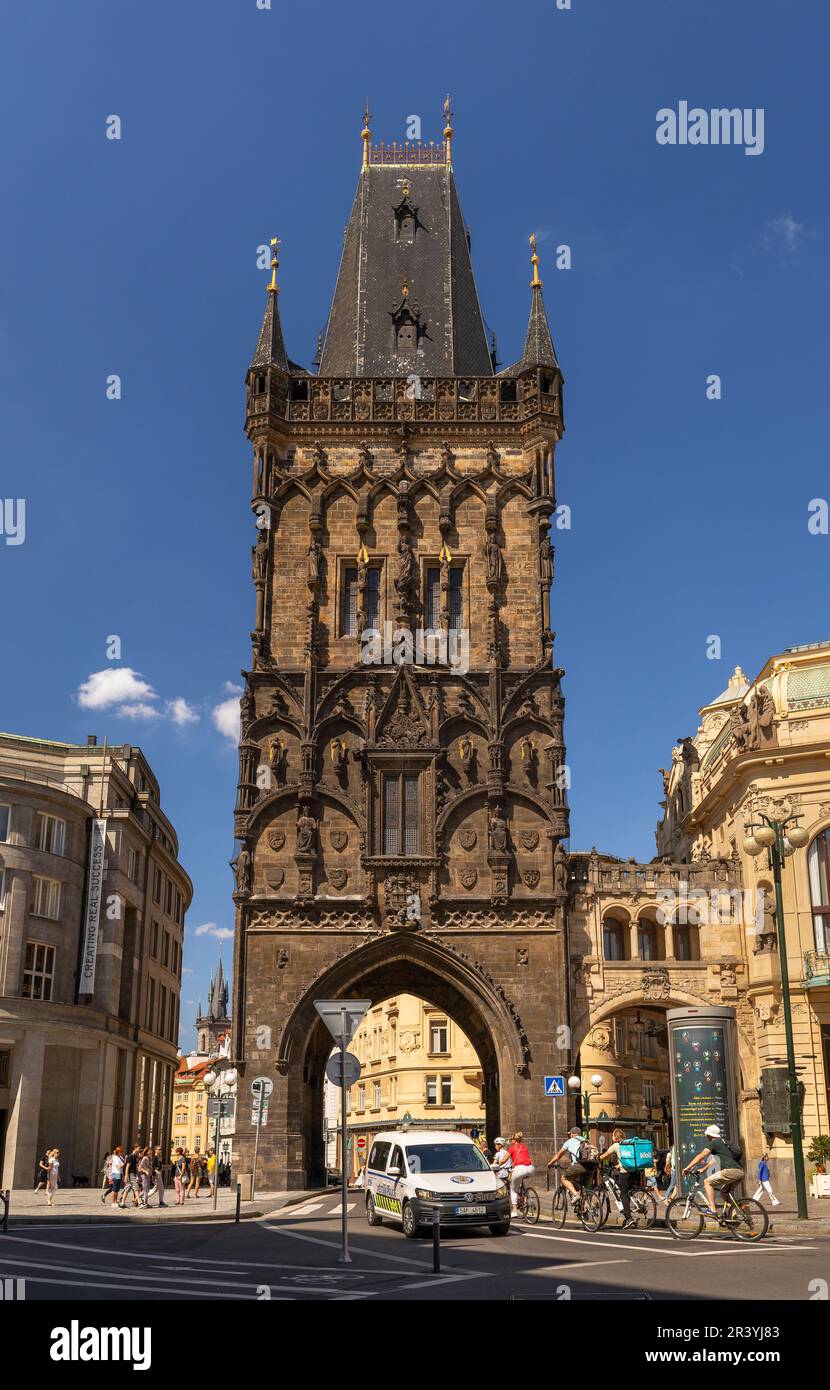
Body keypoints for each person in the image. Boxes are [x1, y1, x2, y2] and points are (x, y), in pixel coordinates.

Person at [682, 1124, 744, 1214]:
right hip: (740, 1172)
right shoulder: (723, 1142)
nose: (707, 1137)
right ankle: (735, 1215)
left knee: (707, 1182)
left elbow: (700, 1156)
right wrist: (704, 1168)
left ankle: (712, 1210)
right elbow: (715, 1159)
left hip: (731, 1170)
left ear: (710, 1135)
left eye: (707, 1135)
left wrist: (687, 1168)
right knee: (724, 1193)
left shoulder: (714, 1143)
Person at [598, 1127, 636, 1229]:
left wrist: (596, 1158)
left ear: (615, 1136)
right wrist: (618, 1165)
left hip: (625, 1173)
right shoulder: (628, 1144)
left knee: (623, 1195)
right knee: (626, 1193)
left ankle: (629, 1219)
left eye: (613, 1135)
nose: (611, 1137)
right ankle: (629, 1215)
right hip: (634, 1172)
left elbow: (605, 1156)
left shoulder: (616, 1145)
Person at [547, 1127, 589, 1207]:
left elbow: (558, 1155)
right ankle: (586, 1207)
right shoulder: (586, 1140)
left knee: (564, 1178)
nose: (570, 1136)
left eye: (570, 1134)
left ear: (572, 1134)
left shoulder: (569, 1142)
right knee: (580, 1185)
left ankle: (576, 1195)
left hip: (578, 1165)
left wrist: (550, 1163)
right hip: (589, 1166)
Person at [507, 1131, 534, 1216]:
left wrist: (497, 1165)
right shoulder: (524, 1147)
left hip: (519, 1169)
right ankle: (526, 1196)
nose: (511, 1141)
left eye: (512, 1140)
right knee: (520, 1180)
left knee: (513, 1189)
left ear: (514, 1140)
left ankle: (514, 1211)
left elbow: (504, 1159)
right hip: (531, 1168)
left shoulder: (512, 1147)